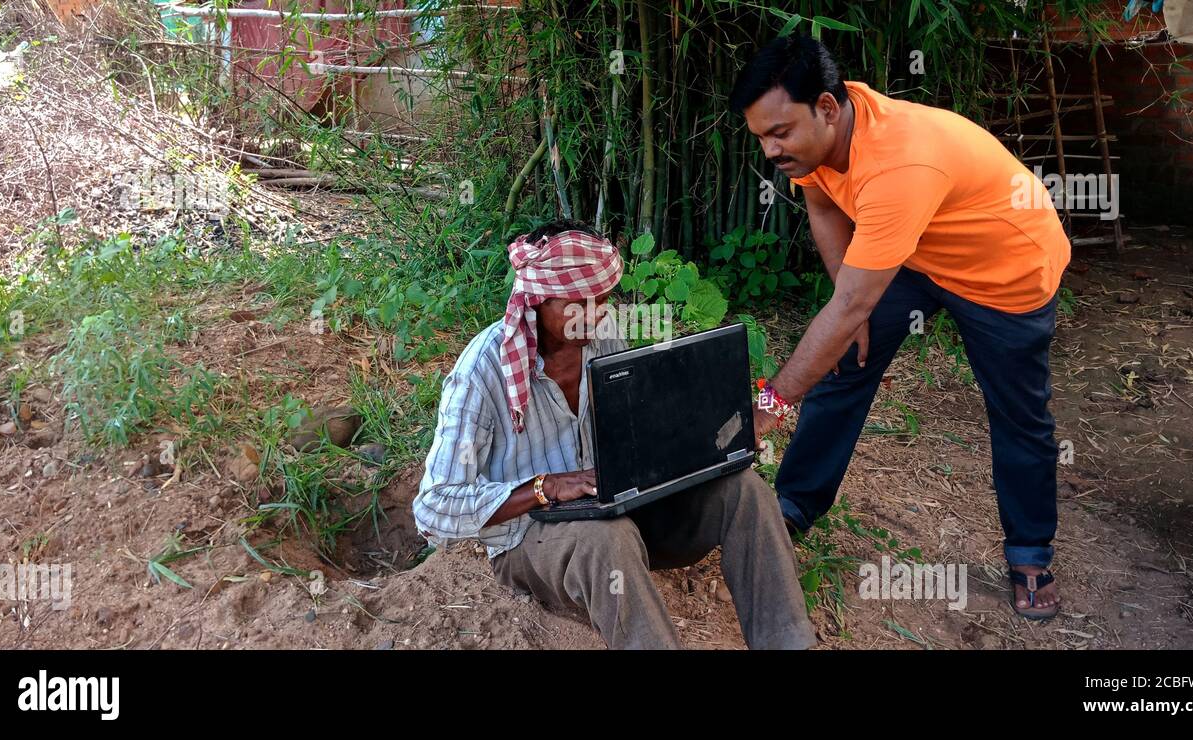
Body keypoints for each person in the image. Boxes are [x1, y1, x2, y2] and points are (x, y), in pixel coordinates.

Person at [729, 36, 1071, 619]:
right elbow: (823, 205)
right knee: (844, 361)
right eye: (760, 135)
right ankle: (792, 506)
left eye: (780, 132)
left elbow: (849, 306)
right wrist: (849, 301)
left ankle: (1030, 552)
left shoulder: (900, 163)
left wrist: (771, 403)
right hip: (919, 254)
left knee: (1019, 415)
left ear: (828, 109)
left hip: (1006, 269)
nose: (769, 151)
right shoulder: (818, 144)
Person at [413, 219, 817, 648]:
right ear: (535, 299)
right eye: (576, 305)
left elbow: (637, 431)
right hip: (530, 538)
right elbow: (432, 508)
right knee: (607, 537)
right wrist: (544, 488)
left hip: (621, 510)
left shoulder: (605, 338)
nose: (593, 317)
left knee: (744, 490)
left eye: (602, 301)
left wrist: (695, 442)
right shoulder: (482, 371)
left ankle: (787, 642)